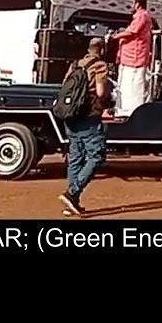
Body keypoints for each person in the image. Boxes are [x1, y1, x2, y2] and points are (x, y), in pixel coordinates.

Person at [59, 37, 111, 217]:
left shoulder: (75, 65)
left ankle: (72, 203)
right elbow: (100, 92)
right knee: (97, 156)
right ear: (102, 49)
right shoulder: (100, 66)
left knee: (76, 158)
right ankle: (72, 192)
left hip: (71, 116)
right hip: (88, 117)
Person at [108, 0, 153, 117]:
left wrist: (115, 36)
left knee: (133, 87)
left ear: (137, 4)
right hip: (129, 58)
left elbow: (132, 32)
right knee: (126, 87)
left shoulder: (142, 16)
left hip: (135, 59)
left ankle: (131, 112)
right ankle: (123, 110)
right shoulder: (138, 17)